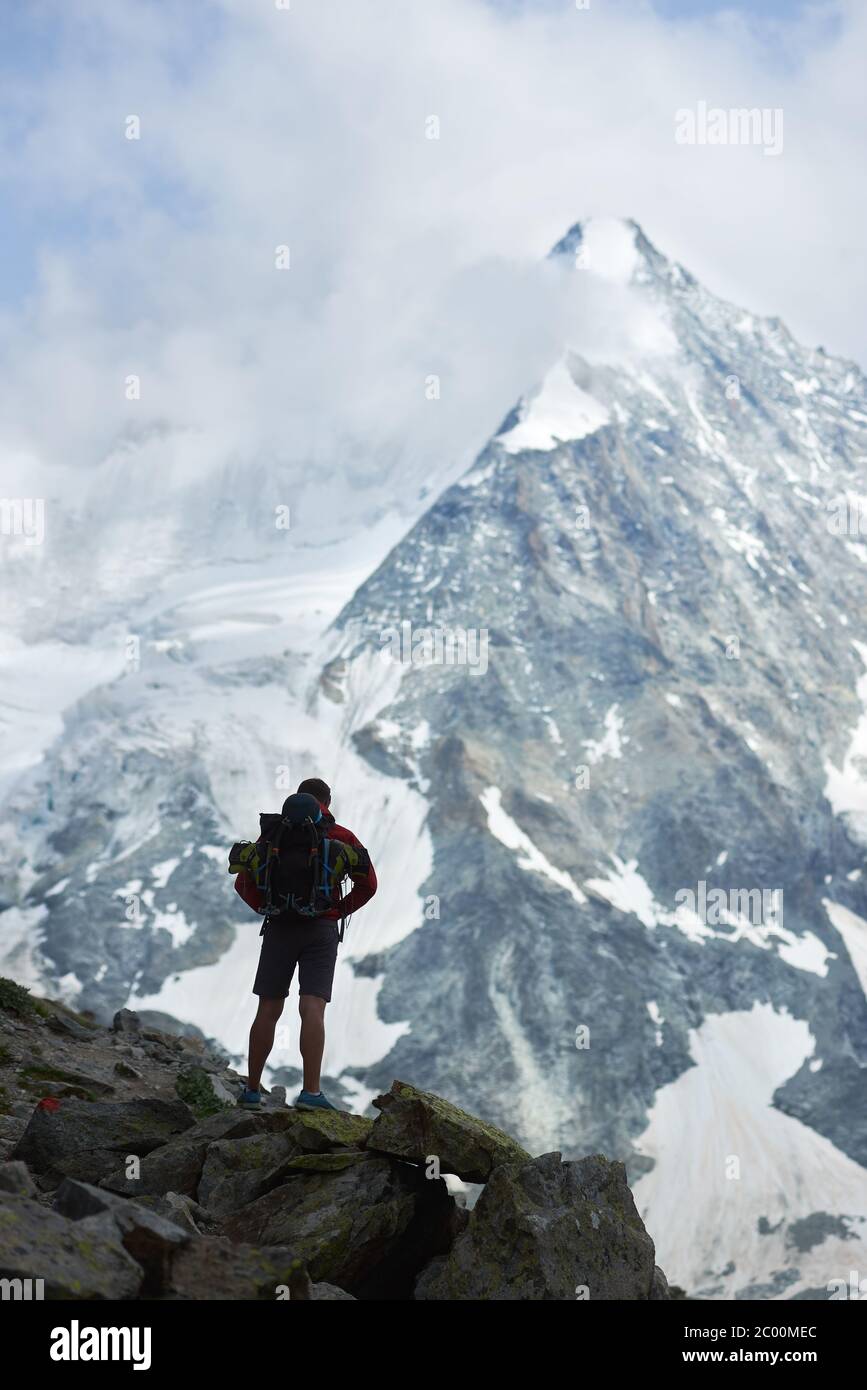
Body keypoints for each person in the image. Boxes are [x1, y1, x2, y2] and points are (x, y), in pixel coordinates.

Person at [233, 777, 377, 1110]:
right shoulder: (340, 836)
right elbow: (368, 884)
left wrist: (266, 907)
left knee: (268, 1009)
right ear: (327, 800)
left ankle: (252, 1090)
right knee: (311, 1008)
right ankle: (311, 1093)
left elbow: (244, 881)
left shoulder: (273, 834)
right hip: (320, 930)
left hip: (279, 927)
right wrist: (337, 911)